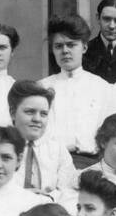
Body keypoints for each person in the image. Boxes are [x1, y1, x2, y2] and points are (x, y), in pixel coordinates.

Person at [40, 14, 112, 164]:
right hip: (52, 163)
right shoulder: (42, 87)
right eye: (59, 46)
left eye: (71, 45)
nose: (65, 51)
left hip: (92, 163)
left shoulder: (102, 88)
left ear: (84, 47)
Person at [9, 80, 76, 195]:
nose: (37, 119)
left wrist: (50, 197)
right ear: (13, 113)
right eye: (30, 112)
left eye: (43, 114)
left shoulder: (58, 149)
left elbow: (68, 191)